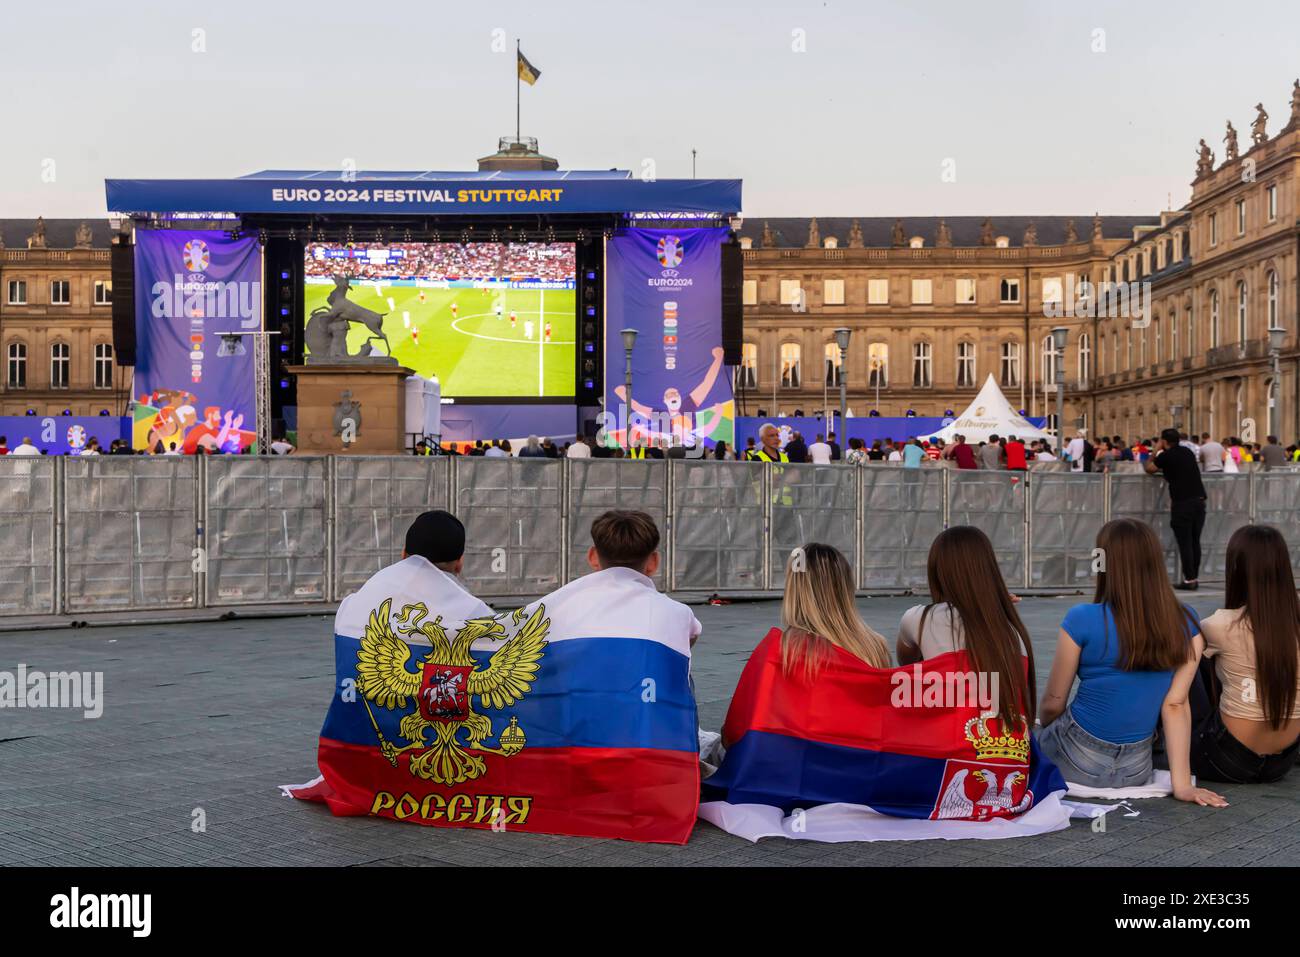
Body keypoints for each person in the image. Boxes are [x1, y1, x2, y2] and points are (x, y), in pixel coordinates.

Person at [1036, 519, 1226, 805]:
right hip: (1135, 767)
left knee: (1027, 737)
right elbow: (1175, 705)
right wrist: (1183, 785)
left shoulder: (1081, 618)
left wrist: (1048, 733)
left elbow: (1053, 702)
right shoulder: (1186, 621)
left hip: (1075, 756)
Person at [896, 526, 1036, 734]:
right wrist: (993, 602)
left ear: (937, 571)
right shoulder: (1010, 628)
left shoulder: (918, 619)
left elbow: (907, 665)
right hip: (1004, 750)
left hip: (946, 742)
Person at [1191, 525, 1300, 782]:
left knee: (1190, 653)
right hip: (1282, 761)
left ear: (1237, 570)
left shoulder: (1220, 625)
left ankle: (1148, 744)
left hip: (1226, 759)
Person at [1145, 427, 1207, 590]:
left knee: (1185, 542)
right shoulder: (1187, 452)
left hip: (1183, 503)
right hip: (1199, 500)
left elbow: (1149, 468)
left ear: (1164, 441)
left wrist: (1155, 451)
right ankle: (1194, 577)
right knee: (1195, 541)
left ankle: (1190, 580)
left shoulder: (1166, 456)